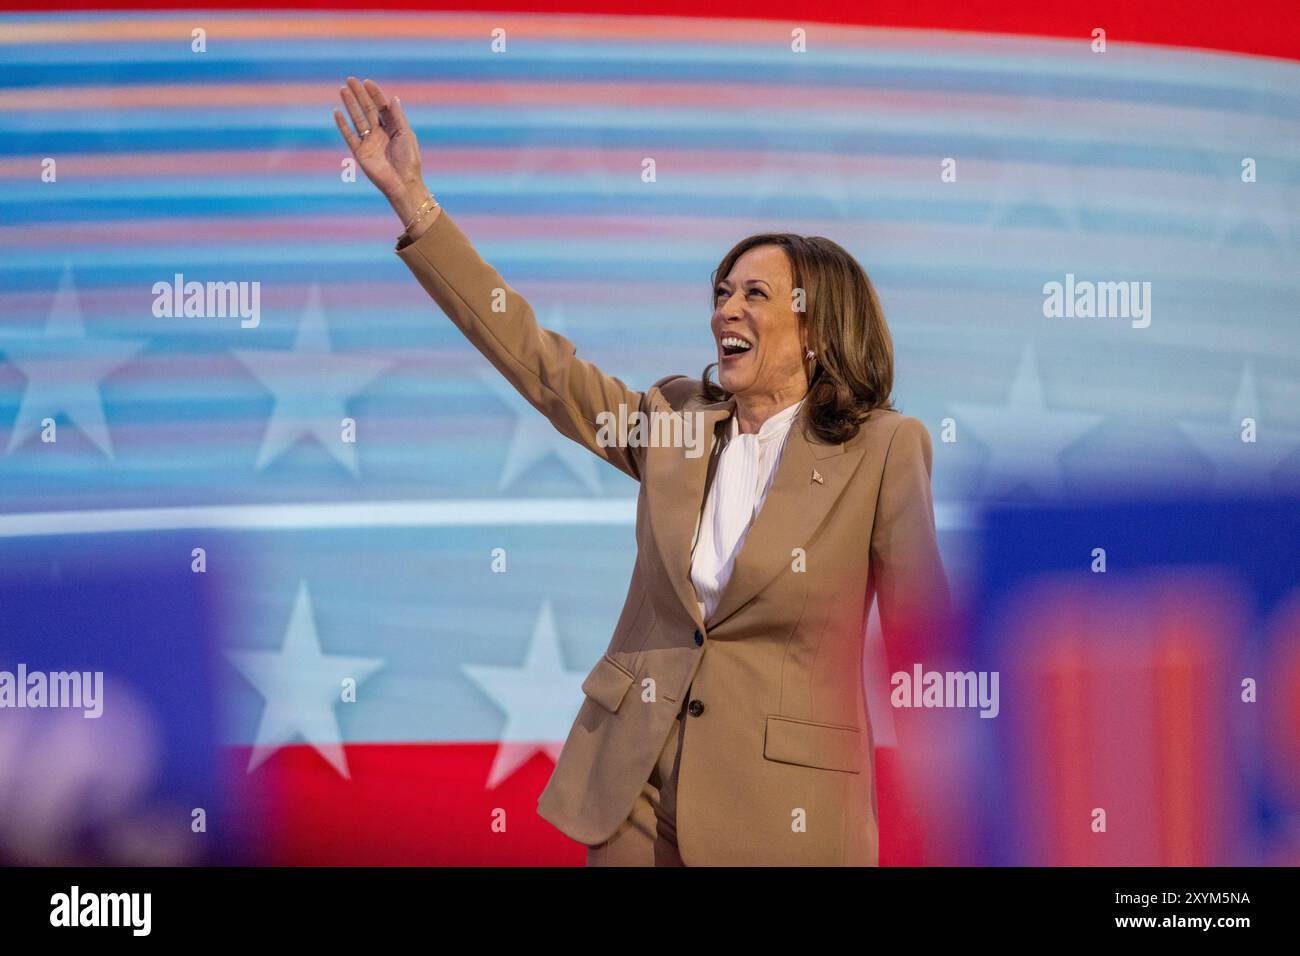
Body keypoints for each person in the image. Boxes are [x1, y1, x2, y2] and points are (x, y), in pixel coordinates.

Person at [335, 76, 951, 866]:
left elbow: (925, 639)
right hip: (633, 789)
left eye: (754, 295)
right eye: (722, 292)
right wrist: (414, 201)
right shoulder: (676, 423)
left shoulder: (884, 449)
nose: (725, 309)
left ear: (820, 331)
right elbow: (540, 366)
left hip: (782, 812)